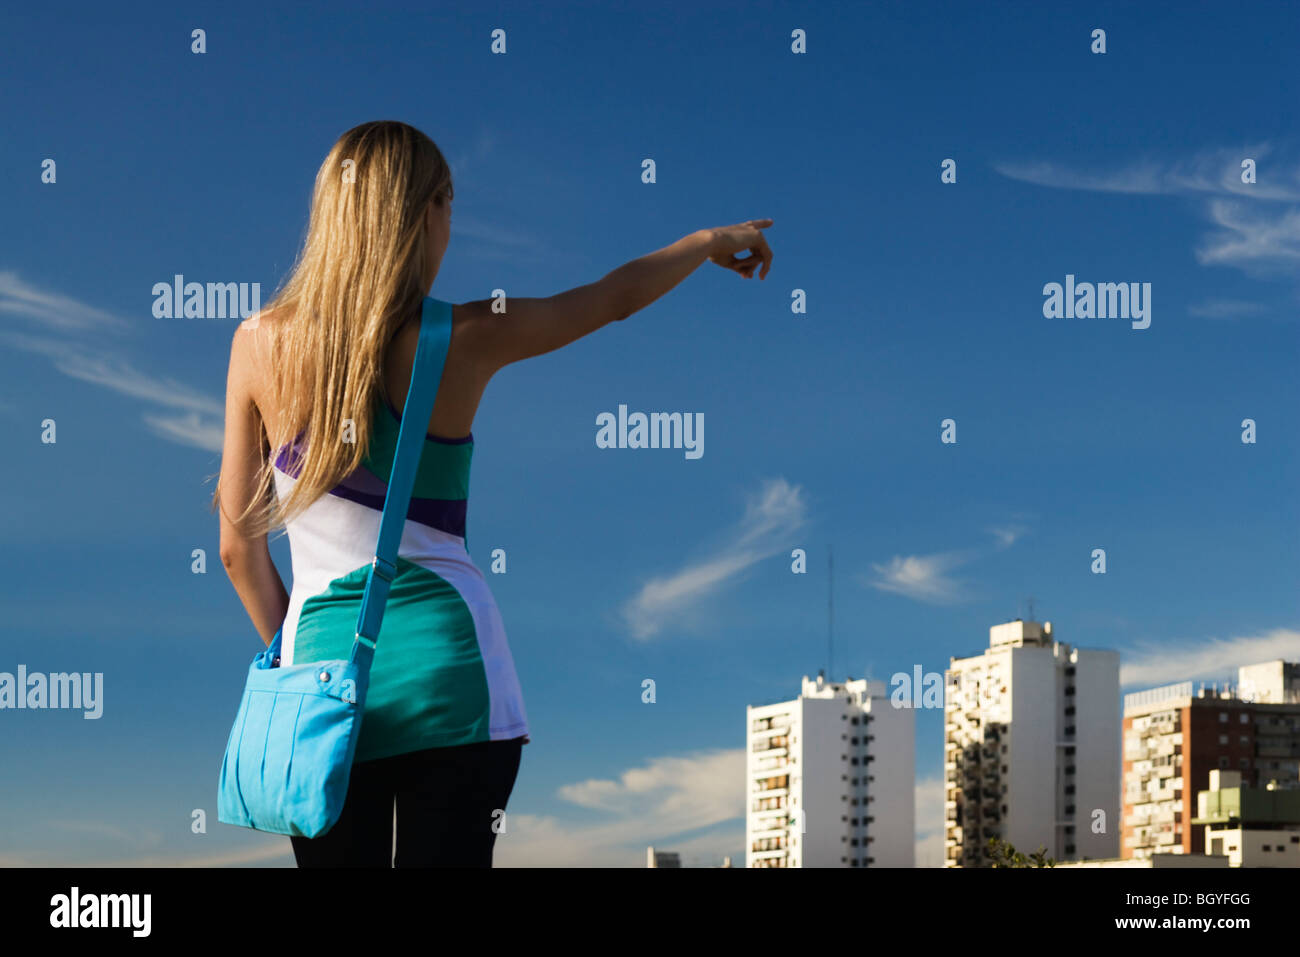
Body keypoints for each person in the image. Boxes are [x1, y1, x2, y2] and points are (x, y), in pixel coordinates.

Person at [214, 119, 773, 867]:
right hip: (456, 679)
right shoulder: (467, 335)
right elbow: (611, 299)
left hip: (320, 688)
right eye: (449, 207)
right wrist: (706, 240)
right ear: (425, 214)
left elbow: (235, 551)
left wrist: (303, 663)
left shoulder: (257, 345)